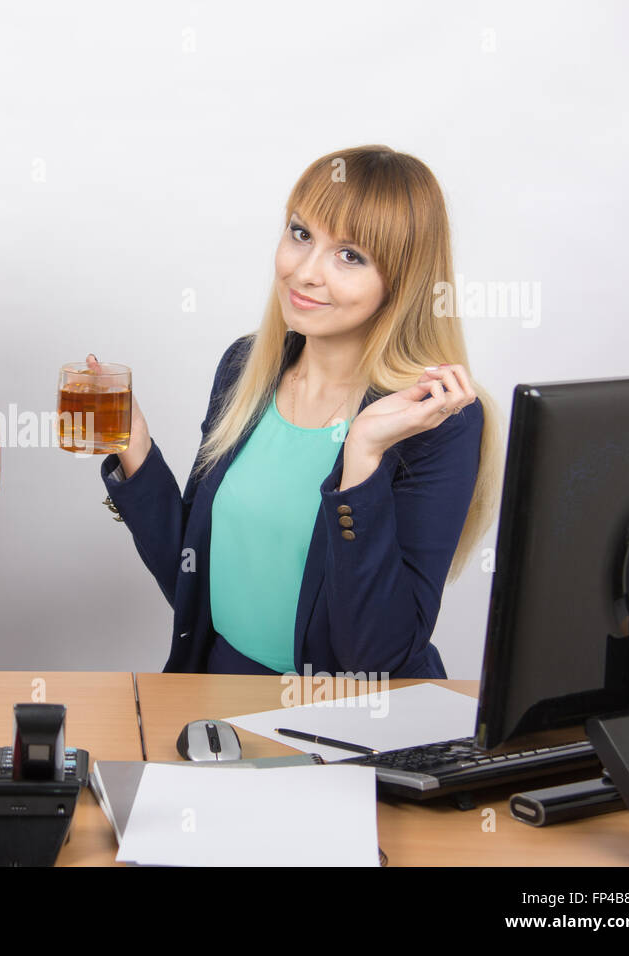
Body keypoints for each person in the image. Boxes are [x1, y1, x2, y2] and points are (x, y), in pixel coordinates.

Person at [96, 146, 501, 678]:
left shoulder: (437, 422)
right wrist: (135, 448)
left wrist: (362, 457)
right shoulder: (246, 369)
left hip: (353, 722)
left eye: (350, 255)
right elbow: (194, 582)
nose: (305, 272)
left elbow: (377, 656)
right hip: (225, 695)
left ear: (401, 284)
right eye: (301, 234)